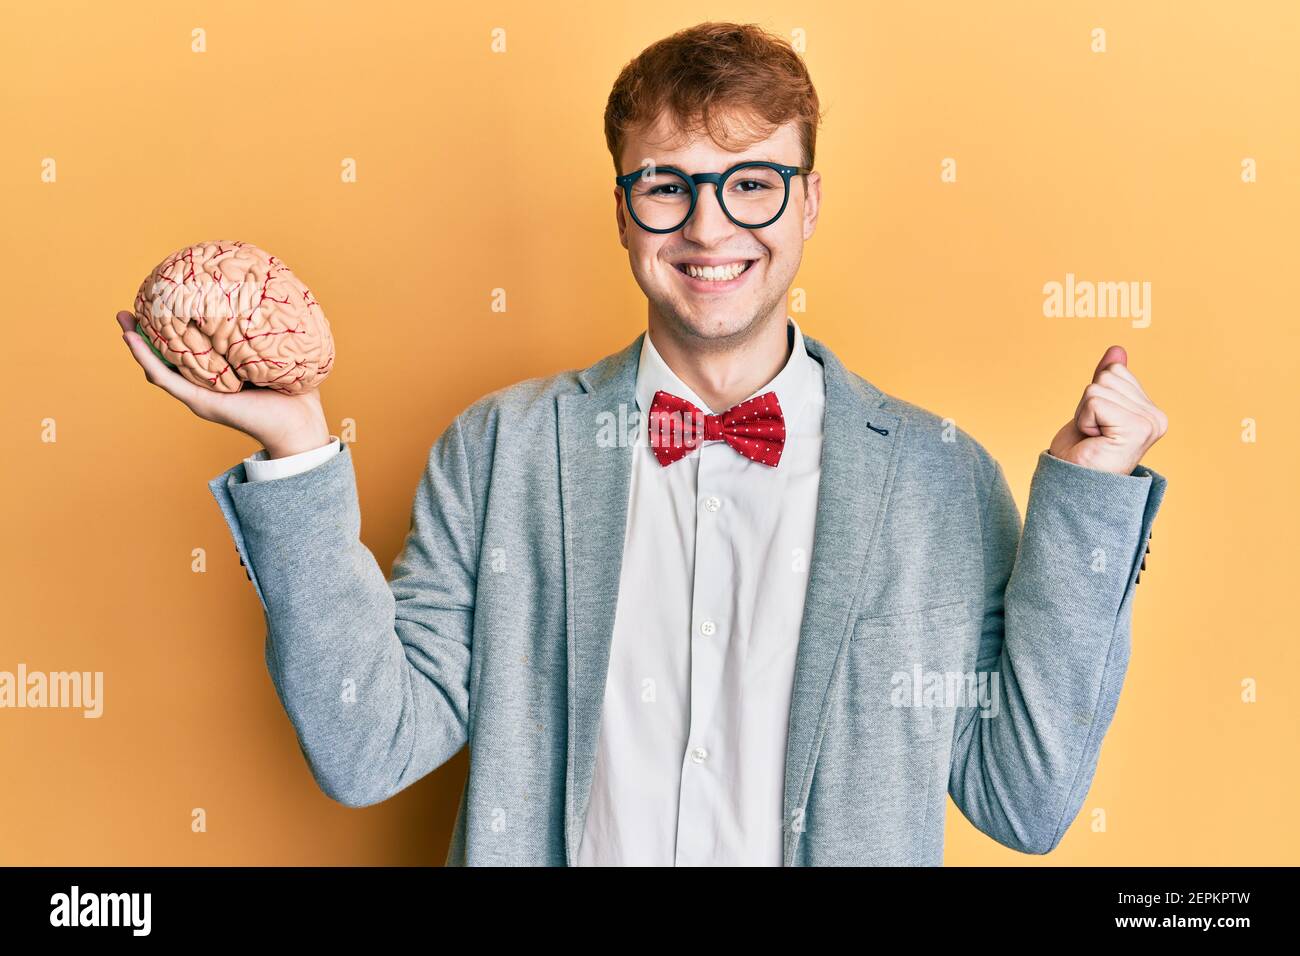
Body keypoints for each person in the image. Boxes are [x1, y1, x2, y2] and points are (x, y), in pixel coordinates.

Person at [115, 22, 1168, 866]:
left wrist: (1088, 498)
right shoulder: (498, 451)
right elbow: (365, 746)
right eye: (666, 185)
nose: (708, 230)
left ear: (807, 204)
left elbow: (1021, 798)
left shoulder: (938, 474)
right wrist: (297, 446)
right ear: (621, 212)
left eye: (751, 182)